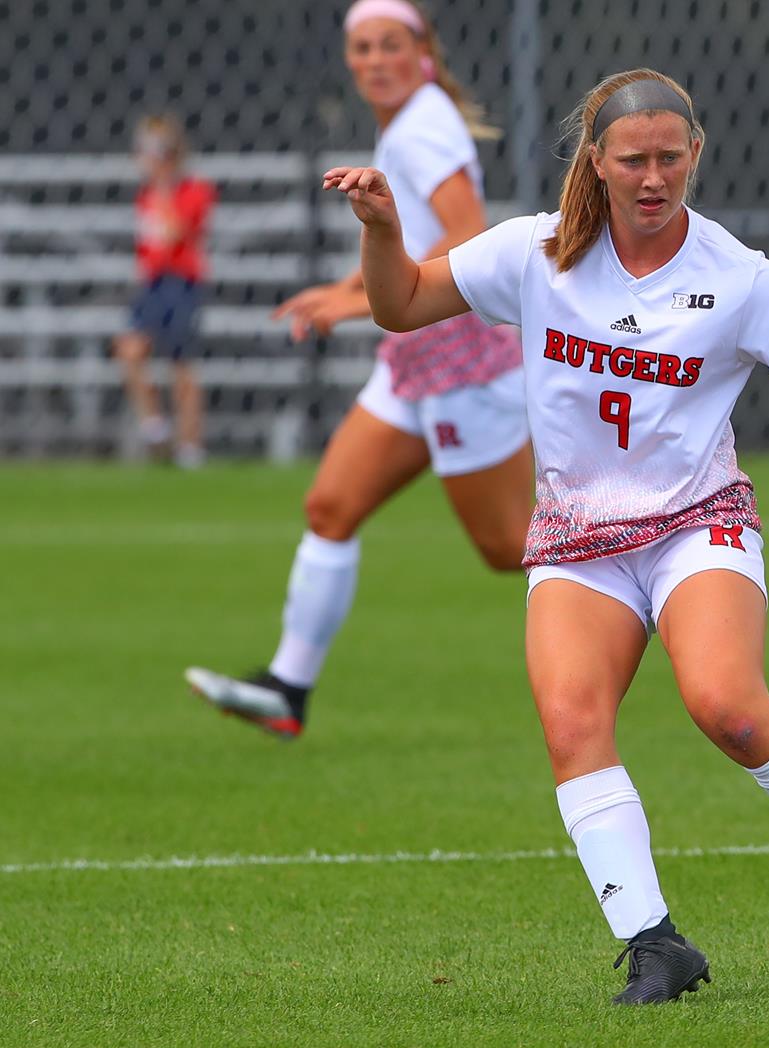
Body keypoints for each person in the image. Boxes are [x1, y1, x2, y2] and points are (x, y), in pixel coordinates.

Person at [323, 67, 769, 1003]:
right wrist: (381, 231)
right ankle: (654, 945)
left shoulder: (737, 277)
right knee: (573, 723)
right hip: (578, 537)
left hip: (697, 522)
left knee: (729, 709)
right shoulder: (535, 252)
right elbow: (401, 302)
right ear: (596, 161)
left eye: (669, 158)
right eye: (632, 160)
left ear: (696, 153)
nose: (653, 178)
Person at [185, 0, 531, 740]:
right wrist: (347, 288)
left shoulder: (425, 123)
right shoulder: (407, 122)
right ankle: (288, 689)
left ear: (422, 51)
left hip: (457, 362)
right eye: (363, 48)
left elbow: (467, 231)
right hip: (412, 356)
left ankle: (647, 568)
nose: (375, 60)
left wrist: (355, 302)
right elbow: (411, 234)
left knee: (510, 548)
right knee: (331, 508)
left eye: (390, 45)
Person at [114, 114, 216, 469]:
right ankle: (154, 425)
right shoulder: (144, 194)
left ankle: (190, 446)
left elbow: (176, 232)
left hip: (181, 282)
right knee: (130, 349)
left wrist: (162, 186)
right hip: (153, 283)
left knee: (181, 366)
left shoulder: (193, 190)